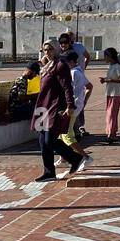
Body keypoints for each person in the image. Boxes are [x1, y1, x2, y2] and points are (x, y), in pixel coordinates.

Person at [31, 41, 83, 181]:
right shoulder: (47, 67)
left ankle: (75, 158)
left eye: (50, 49)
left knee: (50, 140)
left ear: (56, 50)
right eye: (45, 49)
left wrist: (70, 105)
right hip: (43, 106)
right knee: (43, 141)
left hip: (55, 106)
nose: (47, 52)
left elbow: (67, 87)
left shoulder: (60, 65)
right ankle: (49, 172)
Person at [101, 47, 120, 143]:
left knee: (112, 114)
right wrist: (105, 79)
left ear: (110, 56)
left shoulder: (118, 66)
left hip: (116, 93)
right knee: (109, 114)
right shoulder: (110, 66)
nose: (104, 58)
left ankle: (111, 133)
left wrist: (109, 80)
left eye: (105, 56)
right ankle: (112, 132)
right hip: (109, 92)